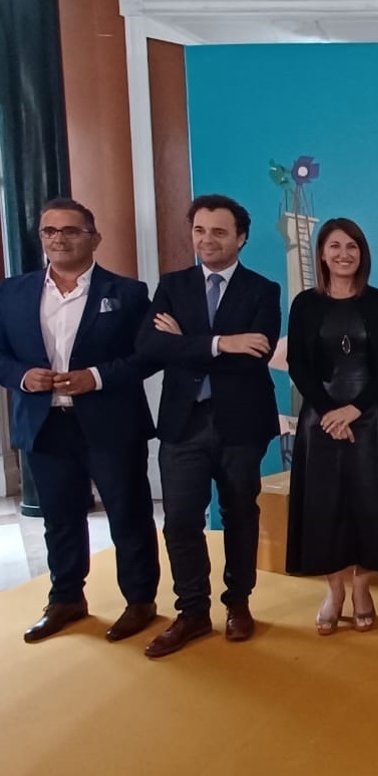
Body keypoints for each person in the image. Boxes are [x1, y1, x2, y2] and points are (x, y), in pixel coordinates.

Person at [0, 198, 159, 643]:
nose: (58, 239)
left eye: (70, 230)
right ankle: (66, 598)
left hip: (111, 423)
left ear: (94, 238)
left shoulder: (128, 293)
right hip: (45, 423)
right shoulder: (12, 293)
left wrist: (96, 377)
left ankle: (140, 601)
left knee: (128, 515)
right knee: (60, 517)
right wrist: (22, 376)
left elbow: (148, 356)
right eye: (49, 231)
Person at [137, 194, 282, 658]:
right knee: (180, 520)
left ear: (241, 238)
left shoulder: (263, 290)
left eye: (219, 232)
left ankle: (238, 603)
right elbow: (150, 347)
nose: (206, 240)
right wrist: (222, 343)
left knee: (240, 514)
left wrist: (189, 343)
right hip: (183, 422)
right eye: (199, 230)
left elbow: (254, 356)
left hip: (241, 423)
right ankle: (192, 611)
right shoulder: (172, 286)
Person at [285, 217, 378, 635]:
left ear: (362, 254)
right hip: (320, 420)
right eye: (335, 246)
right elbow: (298, 365)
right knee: (325, 508)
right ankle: (334, 591)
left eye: (352, 247)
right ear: (322, 254)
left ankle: (362, 587)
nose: (344, 254)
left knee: (370, 506)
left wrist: (354, 410)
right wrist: (329, 412)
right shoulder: (305, 304)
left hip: (370, 417)